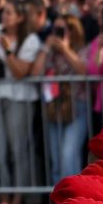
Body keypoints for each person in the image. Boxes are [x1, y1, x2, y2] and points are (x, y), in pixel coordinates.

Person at [0, 0, 41, 204]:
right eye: (3, 13)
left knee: (18, 152)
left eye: (9, 13)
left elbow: (19, 72)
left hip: (19, 99)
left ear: (20, 17)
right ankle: (3, 201)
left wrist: (6, 50)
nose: (4, 17)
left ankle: (17, 202)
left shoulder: (31, 39)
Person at [33, 14, 88, 183]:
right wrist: (45, 48)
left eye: (61, 29)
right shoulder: (48, 52)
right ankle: (59, 203)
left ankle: (74, 200)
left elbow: (84, 71)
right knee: (56, 159)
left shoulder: (81, 49)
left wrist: (65, 49)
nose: (56, 33)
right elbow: (35, 73)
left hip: (77, 107)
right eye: (54, 29)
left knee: (68, 155)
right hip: (53, 107)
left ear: (72, 31)